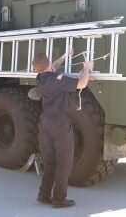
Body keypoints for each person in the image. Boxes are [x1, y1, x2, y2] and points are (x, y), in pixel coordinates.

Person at [32, 50, 93, 208]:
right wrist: (87, 68)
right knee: (64, 163)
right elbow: (82, 84)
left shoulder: (40, 78)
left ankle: (44, 194)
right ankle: (59, 199)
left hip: (47, 123)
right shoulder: (57, 80)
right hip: (59, 124)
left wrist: (66, 57)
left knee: (51, 161)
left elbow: (51, 67)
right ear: (48, 64)